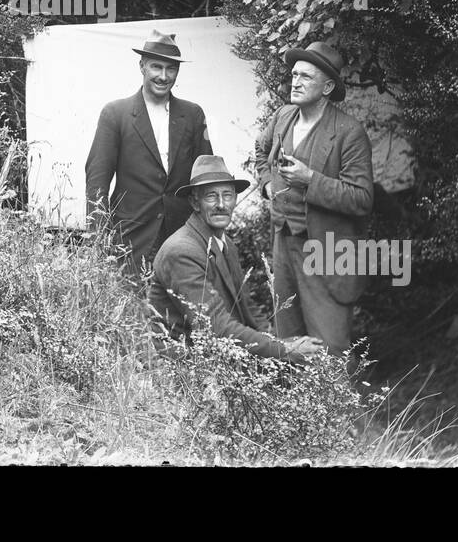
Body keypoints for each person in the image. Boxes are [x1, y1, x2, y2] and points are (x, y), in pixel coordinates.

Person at [255, 41, 374, 355]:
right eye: (294, 74)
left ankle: (339, 406)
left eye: (306, 76)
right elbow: (259, 152)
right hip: (283, 245)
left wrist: (311, 181)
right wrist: (267, 185)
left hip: (326, 253)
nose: (295, 81)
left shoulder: (349, 133)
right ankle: (300, 406)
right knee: (290, 346)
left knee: (329, 351)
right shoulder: (283, 117)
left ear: (327, 86)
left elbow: (362, 198)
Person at [148, 155, 324, 361]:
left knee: (314, 358)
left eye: (228, 195)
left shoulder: (225, 244)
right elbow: (216, 326)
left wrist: (283, 343)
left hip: (221, 354)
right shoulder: (181, 251)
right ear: (195, 202)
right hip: (189, 367)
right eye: (211, 196)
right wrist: (285, 350)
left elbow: (247, 309)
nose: (221, 204)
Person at [85, 30, 212, 283]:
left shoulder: (193, 114)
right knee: (130, 315)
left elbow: (206, 177)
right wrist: (99, 240)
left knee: (179, 314)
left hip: (181, 237)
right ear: (142, 66)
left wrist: (207, 232)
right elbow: (97, 180)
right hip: (130, 239)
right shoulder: (115, 114)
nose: (163, 77)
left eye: (171, 69)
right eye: (156, 67)